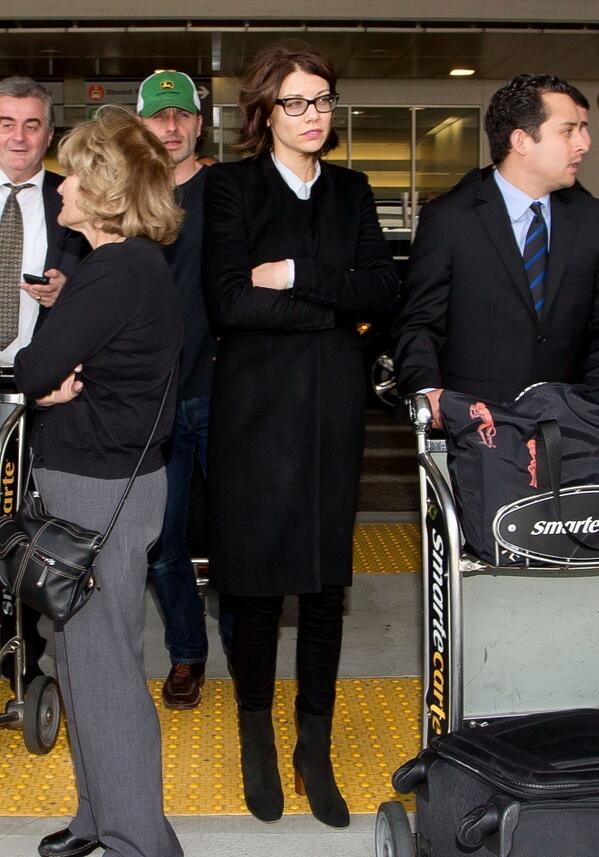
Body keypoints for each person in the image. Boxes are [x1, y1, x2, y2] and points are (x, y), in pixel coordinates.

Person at [203, 41, 399, 828]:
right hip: (253, 412)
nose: (313, 116)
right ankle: (255, 728)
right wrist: (333, 310)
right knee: (254, 583)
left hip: (330, 408)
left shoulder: (352, 191)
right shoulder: (230, 188)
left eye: (321, 100)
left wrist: (289, 275)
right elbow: (227, 302)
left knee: (324, 585)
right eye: (296, 102)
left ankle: (310, 744)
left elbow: (383, 290)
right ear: (264, 110)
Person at [14, 107, 183, 857]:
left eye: (74, 175)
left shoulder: (113, 271)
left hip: (94, 489)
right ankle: (96, 817)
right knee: (81, 659)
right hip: (113, 480)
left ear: (105, 188)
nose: (60, 190)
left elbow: (34, 368)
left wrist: (51, 364)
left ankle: (139, 841)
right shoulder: (122, 267)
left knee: (105, 668)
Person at [393, 74, 599, 419]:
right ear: (521, 140)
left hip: (572, 430)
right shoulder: (450, 220)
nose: (584, 143)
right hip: (477, 432)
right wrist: (428, 394)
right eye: (568, 131)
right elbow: (419, 324)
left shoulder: (590, 219)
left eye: (583, 129)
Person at [137, 70, 220, 710]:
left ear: (198, 123)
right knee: (162, 543)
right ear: (141, 126)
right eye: (159, 117)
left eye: (181, 115)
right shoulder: (127, 202)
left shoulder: (229, 191)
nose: (170, 127)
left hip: (224, 389)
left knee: (243, 533)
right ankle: (187, 655)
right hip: (157, 399)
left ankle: (247, 655)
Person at [0, 75, 85, 687]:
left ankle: (21, 660)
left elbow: (104, 284)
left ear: (49, 135)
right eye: (6, 123)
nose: (19, 136)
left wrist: (65, 293)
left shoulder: (73, 202)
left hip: (40, 394)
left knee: (26, 532)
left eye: (32, 125)